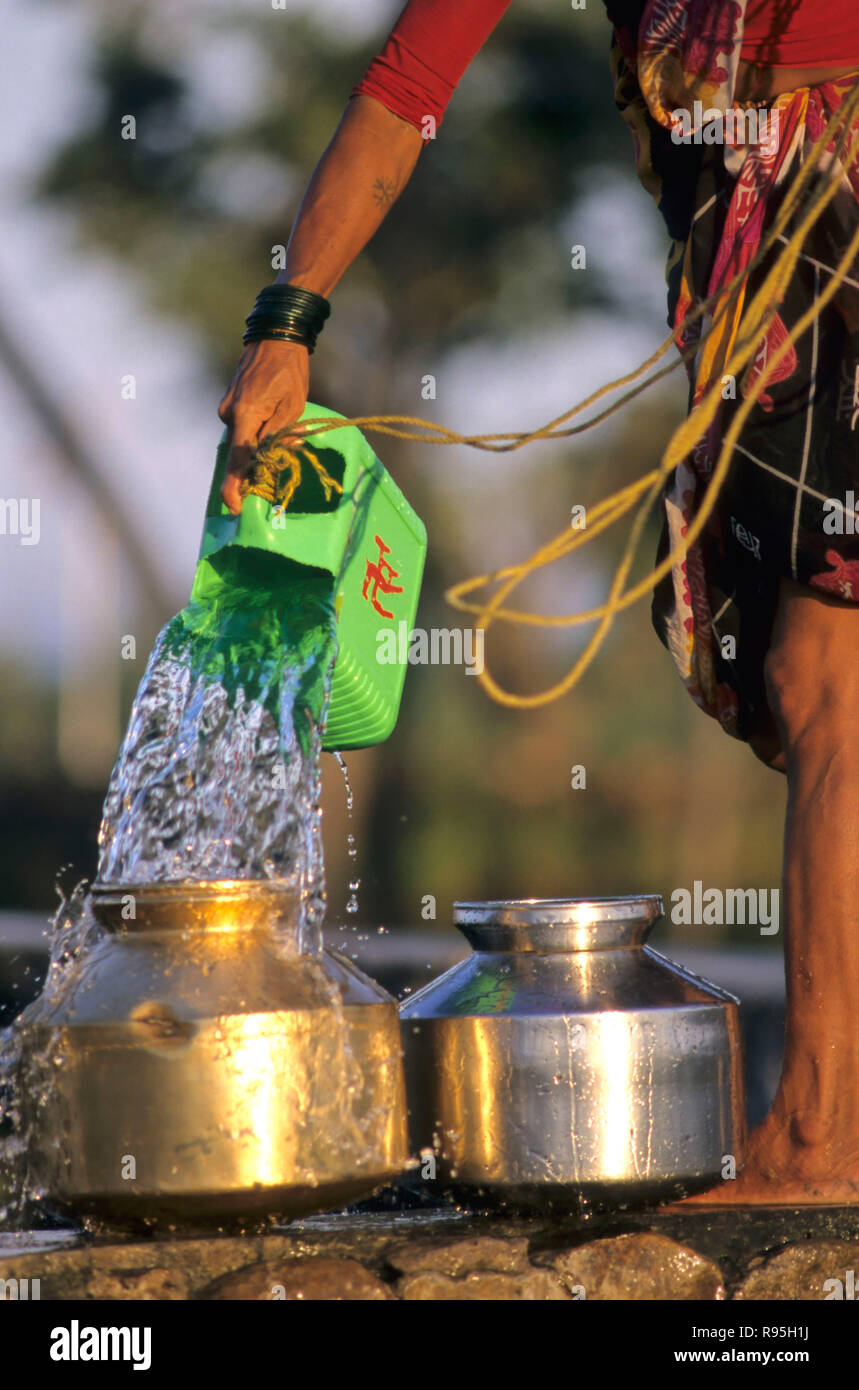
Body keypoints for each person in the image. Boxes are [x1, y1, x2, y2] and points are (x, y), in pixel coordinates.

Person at [218, 0, 859, 1206]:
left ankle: (823, 1139)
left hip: (833, 199)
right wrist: (287, 319)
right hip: (766, 250)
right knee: (796, 673)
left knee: (825, 676)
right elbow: (409, 85)